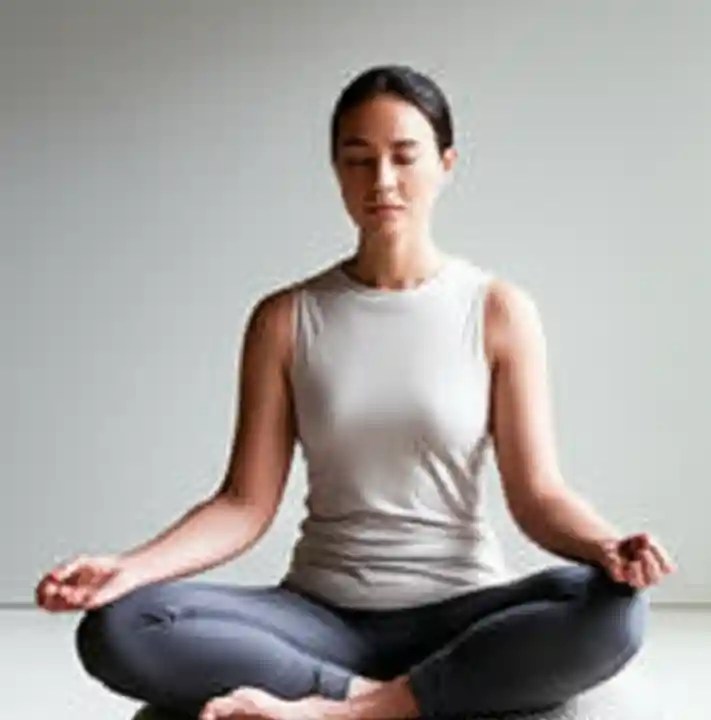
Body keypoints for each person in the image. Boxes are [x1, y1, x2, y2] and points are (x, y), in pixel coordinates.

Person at [33, 64, 677, 720]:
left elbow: (538, 495)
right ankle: (393, 699)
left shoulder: (497, 311)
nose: (383, 180)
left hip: (462, 613)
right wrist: (131, 568)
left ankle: (338, 710)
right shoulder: (286, 319)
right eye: (359, 159)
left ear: (446, 163)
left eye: (405, 156)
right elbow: (243, 503)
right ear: (337, 170)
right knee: (120, 627)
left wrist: (605, 547)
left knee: (613, 610)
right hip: (319, 618)